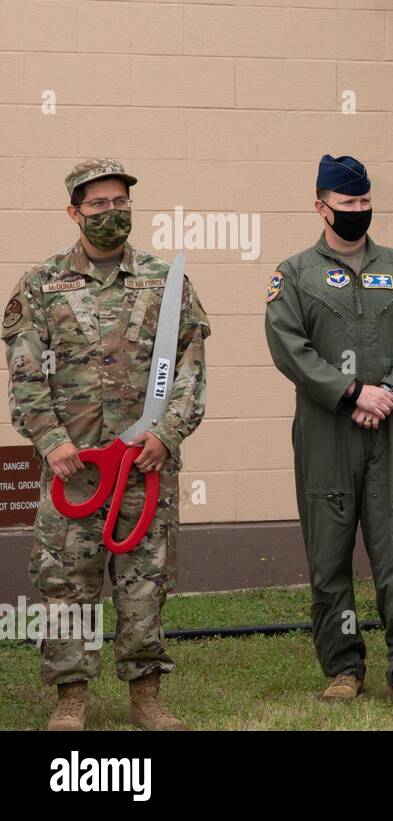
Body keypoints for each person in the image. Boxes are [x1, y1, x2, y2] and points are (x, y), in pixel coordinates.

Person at [2, 158, 211, 731]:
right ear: (74, 212)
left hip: (146, 466)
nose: (111, 212)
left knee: (145, 580)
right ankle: (71, 698)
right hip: (74, 469)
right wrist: (51, 441)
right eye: (98, 204)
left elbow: (190, 370)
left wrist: (167, 434)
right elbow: (24, 375)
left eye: (120, 202)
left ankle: (146, 697)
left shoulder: (166, 282)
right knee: (67, 582)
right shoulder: (41, 284)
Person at [264, 155, 393, 708]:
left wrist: (388, 392)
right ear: (321, 207)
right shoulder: (295, 274)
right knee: (329, 556)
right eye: (348, 203)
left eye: (365, 202)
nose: (359, 211)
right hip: (326, 433)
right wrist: (349, 392)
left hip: (391, 429)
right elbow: (288, 347)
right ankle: (343, 668)